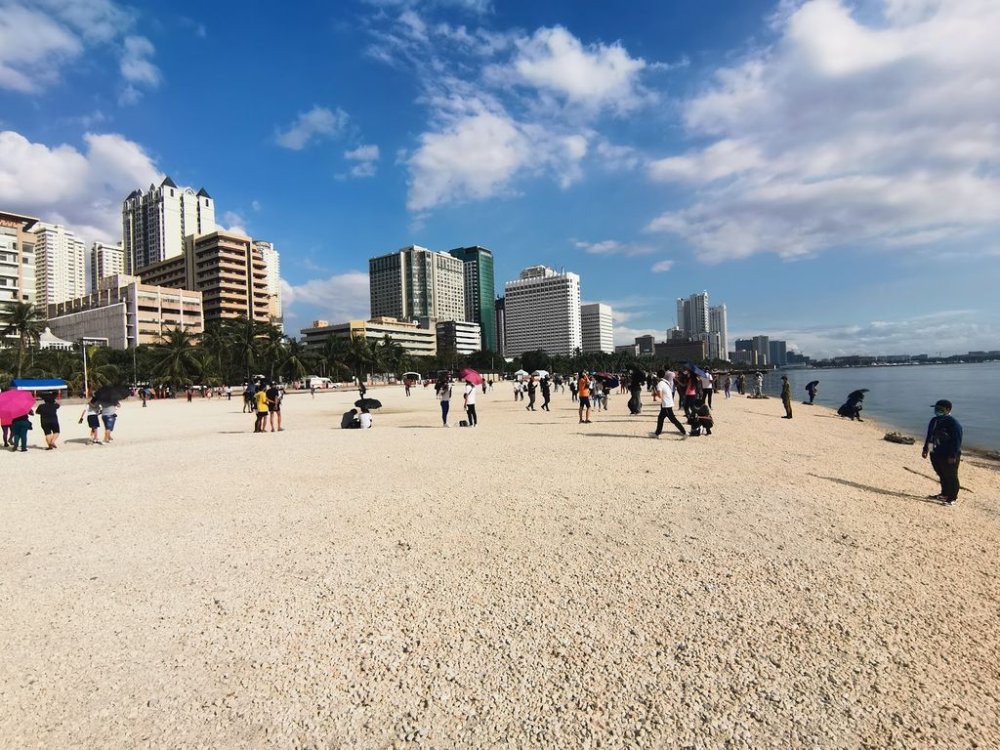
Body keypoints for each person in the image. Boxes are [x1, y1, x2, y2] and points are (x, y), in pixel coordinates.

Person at [922, 399, 962, 505]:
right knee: (941, 474)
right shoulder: (934, 421)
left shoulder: (953, 423)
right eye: (936, 408)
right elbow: (930, 436)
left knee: (951, 476)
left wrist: (953, 455)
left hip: (948, 455)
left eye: (940, 409)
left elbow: (957, 440)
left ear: (948, 410)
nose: (936, 410)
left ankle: (952, 498)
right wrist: (926, 449)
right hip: (935, 453)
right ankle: (944, 494)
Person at [652, 369, 685, 438]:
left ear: (657, 376)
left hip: (666, 404)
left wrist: (655, 392)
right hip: (668, 402)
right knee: (660, 418)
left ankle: (684, 432)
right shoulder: (665, 382)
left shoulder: (660, 384)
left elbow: (659, 397)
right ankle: (657, 433)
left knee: (673, 419)